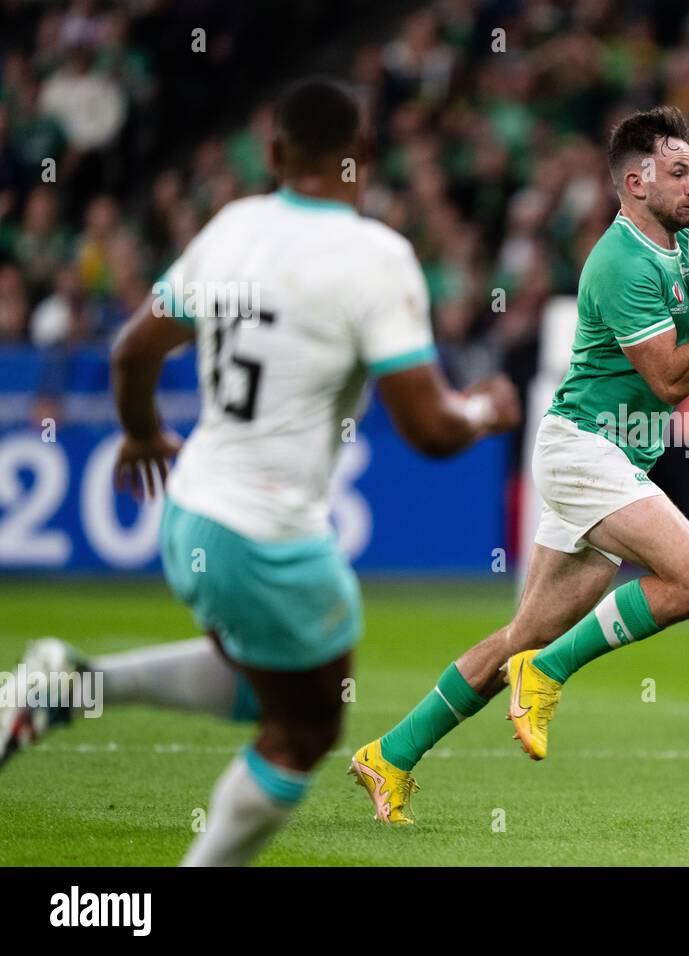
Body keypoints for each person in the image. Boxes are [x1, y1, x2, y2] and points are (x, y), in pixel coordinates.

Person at [0, 77, 520, 866]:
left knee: (266, 686)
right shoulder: (376, 258)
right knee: (307, 726)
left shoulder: (232, 227)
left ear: (274, 153)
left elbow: (133, 349)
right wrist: (486, 409)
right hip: (267, 531)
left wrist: (141, 434)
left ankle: (70, 684)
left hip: (190, 514)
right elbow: (428, 428)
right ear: (367, 156)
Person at [349, 105, 689, 824]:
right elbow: (671, 381)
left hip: (613, 459)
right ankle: (551, 672)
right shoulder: (621, 260)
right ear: (634, 181)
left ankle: (391, 755)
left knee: (519, 638)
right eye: (678, 172)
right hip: (584, 450)